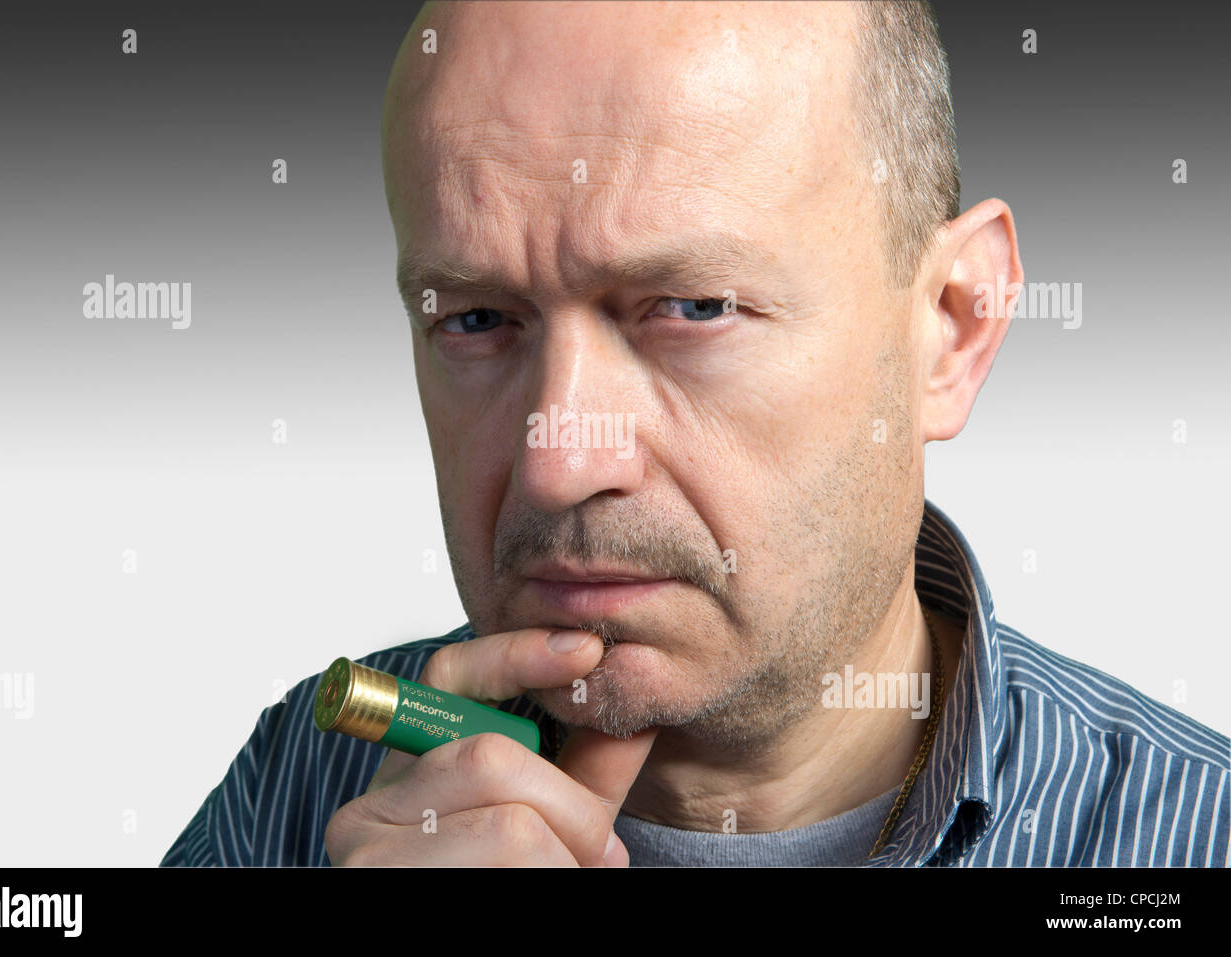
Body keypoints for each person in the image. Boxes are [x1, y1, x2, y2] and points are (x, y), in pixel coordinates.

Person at [162, 0, 1229, 867]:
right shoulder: (299, 787)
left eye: (693, 310)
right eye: (477, 321)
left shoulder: (1193, 838)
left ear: (949, 330)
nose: (558, 460)